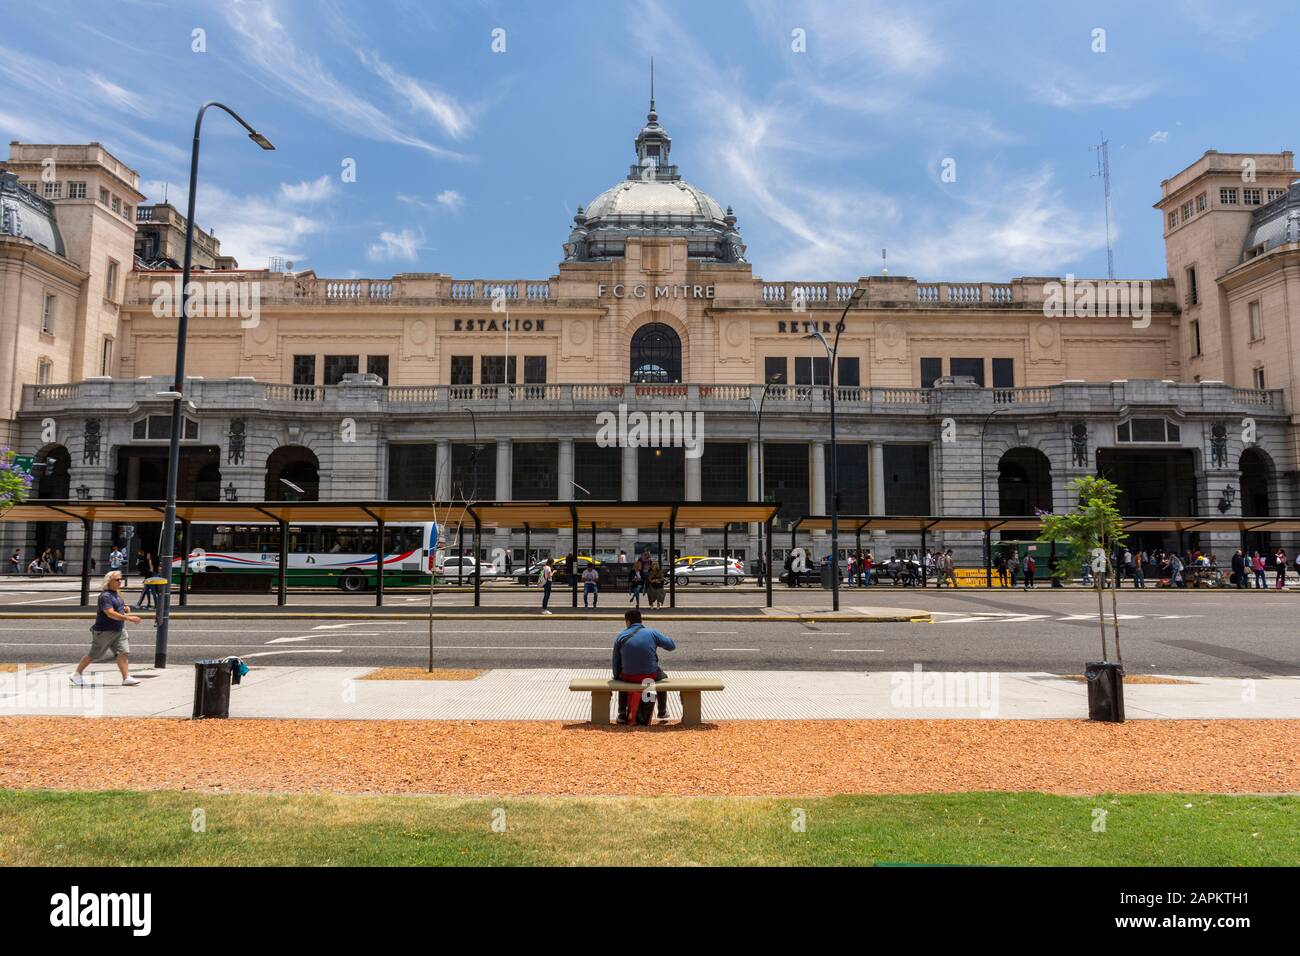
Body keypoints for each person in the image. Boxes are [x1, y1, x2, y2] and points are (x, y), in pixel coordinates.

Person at [70, 570, 142, 686]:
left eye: (121, 579)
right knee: (94, 654)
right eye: (117, 580)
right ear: (109, 581)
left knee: (123, 652)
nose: (120, 582)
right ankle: (76, 674)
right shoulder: (105, 596)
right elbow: (110, 613)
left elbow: (118, 608)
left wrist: (125, 608)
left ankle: (126, 677)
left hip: (119, 629)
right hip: (104, 631)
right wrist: (129, 618)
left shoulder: (116, 594)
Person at [612, 609, 676, 724]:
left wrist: (617, 676)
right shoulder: (652, 632)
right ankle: (661, 711)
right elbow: (671, 646)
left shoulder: (620, 636)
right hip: (649, 675)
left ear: (627, 622)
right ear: (641, 621)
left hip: (628, 676)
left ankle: (622, 714)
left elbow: (616, 661)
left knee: (622, 682)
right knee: (662, 677)